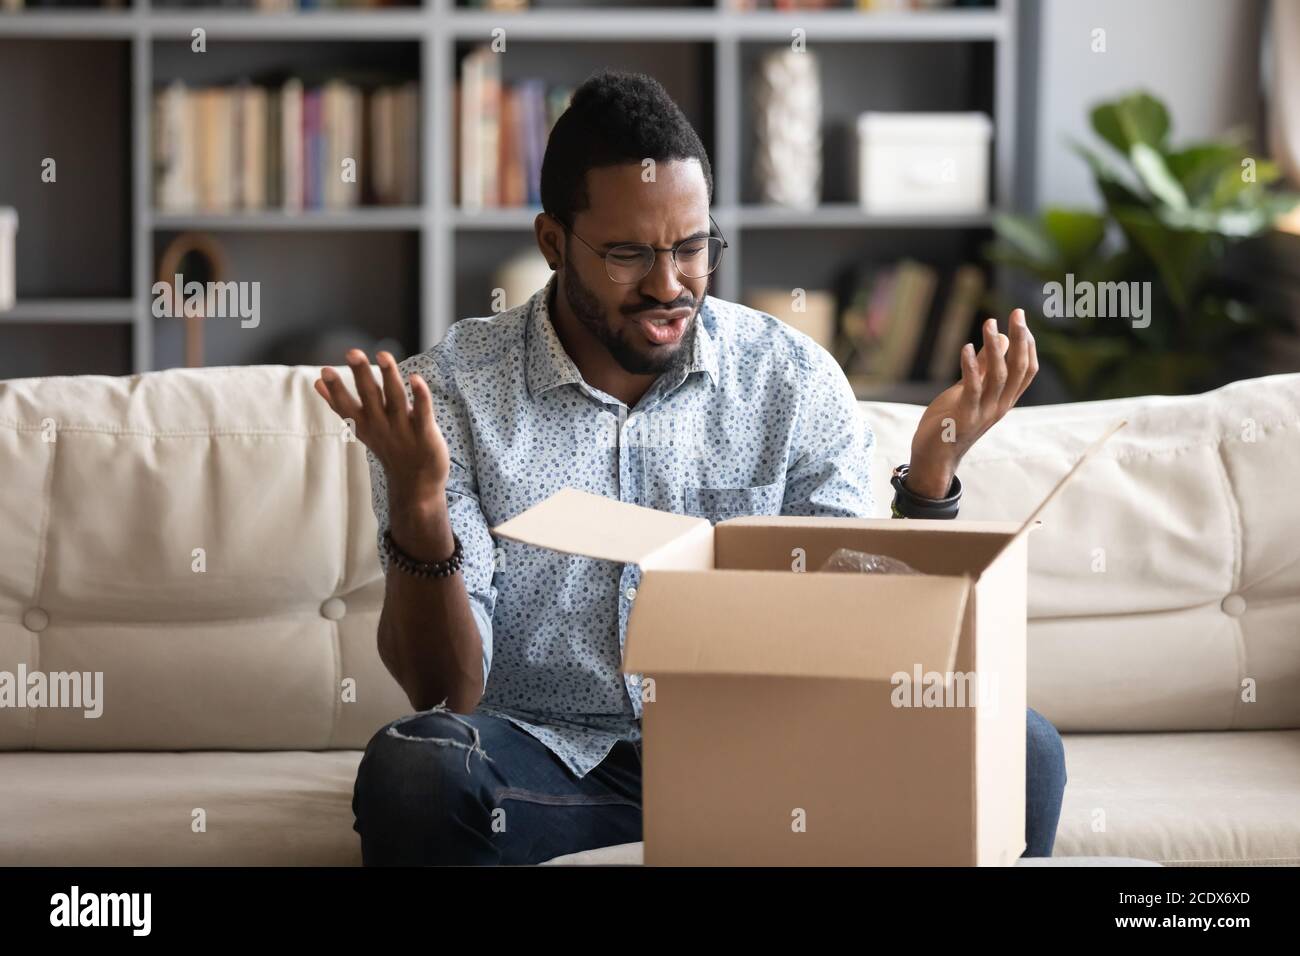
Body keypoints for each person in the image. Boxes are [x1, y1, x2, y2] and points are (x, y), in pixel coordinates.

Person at [314, 70, 1063, 866]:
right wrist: (421, 502)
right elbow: (445, 692)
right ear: (553, 243)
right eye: (630, 254)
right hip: (557, 766)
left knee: (1022, 747)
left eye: (693, 248)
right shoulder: (452, 395)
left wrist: (929, 477)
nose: (669, 286)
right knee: (415, 771)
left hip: (772, 756)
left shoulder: (792, 380)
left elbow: (863, 637)